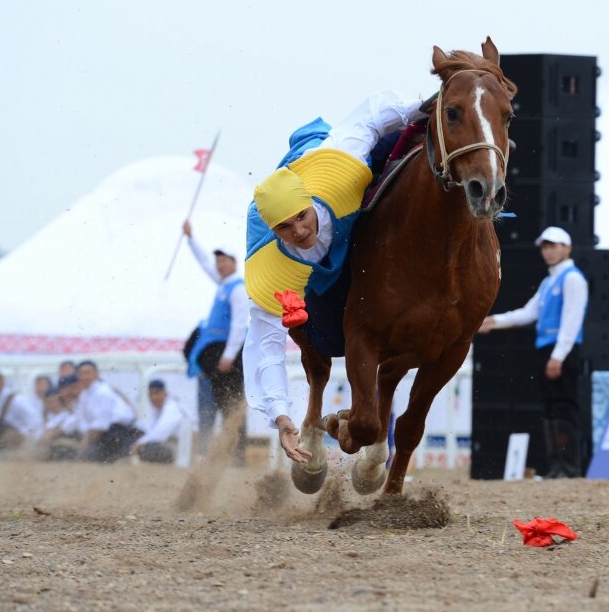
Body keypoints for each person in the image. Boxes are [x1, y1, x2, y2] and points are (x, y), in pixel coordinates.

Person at [243, 91, 426, 465]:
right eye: (285, 227)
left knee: (403, 144)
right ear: (274, 230)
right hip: (303, 268)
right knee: (317, 333)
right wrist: (281, 417)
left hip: (329, 172)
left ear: (309, 203)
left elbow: (373, 113)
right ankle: (314, 406)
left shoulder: (342, 165)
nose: (298, 230)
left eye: (301, 217)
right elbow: (265, 349)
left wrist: (429, 104)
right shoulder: (271, 272)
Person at [478, 226, 589, 478]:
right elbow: (528, 313)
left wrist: (558, 356)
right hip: (548, 349)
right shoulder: (549, 281)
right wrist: (493, 322)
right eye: (545, 247)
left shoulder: (572, 278)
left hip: (562, 350)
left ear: (567, 248)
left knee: (564, 406)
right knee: (551, 407)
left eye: (553, 246)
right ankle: (557, 466)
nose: (548, 252)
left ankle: (569, 467)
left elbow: (572, 320)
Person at [183, 220, 247, 462]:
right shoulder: (223, 285)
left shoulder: (237, 289)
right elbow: (203, 263)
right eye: (218, 261)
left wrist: (228, 356)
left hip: (226, 355)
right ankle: (222, 452)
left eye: (224, 260)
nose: (219, 265)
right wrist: (191, 238)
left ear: (234, 262)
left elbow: (240, 324)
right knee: (222, 402)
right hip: (218, 354)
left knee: (231, 404)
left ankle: (237, 454)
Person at [74, 361, 140, 463]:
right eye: (82, 374)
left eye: (88, 373)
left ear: (97, 374)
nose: (85, 377)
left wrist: (85, 442)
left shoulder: (103, 391)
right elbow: (82, 420)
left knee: (89, 456)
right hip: (102, 433)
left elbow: (101, 424)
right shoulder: (84, 395)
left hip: (120, 431)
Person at [130, 380, 186, 464]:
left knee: (147, 449)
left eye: (157, 393)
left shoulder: (171, 408)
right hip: (163, 443)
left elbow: (160, 434)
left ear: (165, 393)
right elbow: (151, 429)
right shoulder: (158, 409)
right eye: (151, 394)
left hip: (174, 447)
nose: (154, 397)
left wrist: (139, 443)